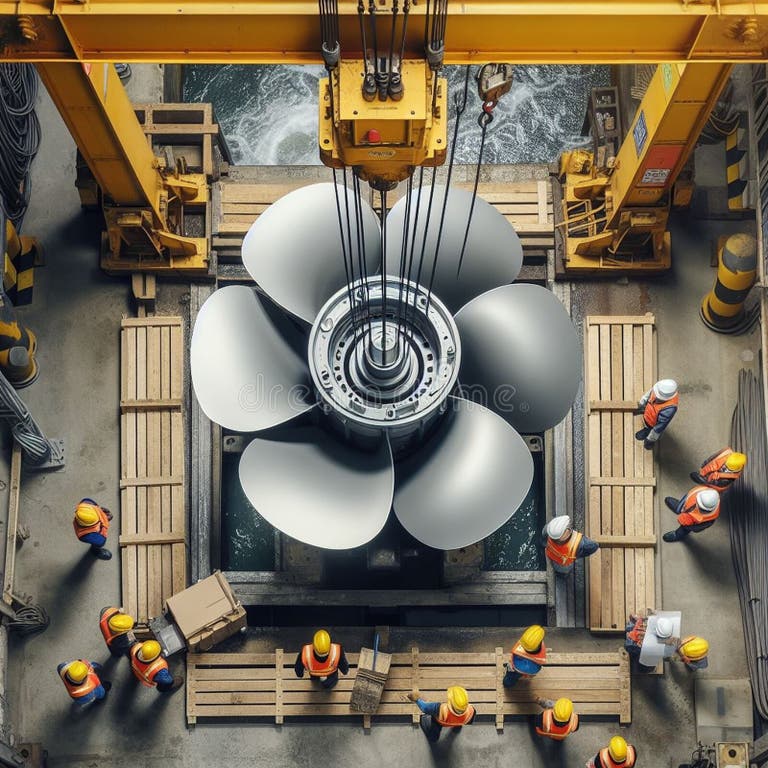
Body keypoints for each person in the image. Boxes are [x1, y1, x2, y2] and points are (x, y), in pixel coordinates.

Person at [408, 686, 475, 743]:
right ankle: (457, 728)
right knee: (458, 724)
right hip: (459, 722)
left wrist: (417, 700)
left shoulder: (440, 709)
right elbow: (469, 722)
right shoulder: (471, 711)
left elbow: (425, 708)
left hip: (440, 722)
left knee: (431, 730)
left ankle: (433, 739)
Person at [635, 378, 678, 449]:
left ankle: (648, 435)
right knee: (647, 423)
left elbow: (659, 427)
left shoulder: (670, 409)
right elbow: (648, 394)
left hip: (652, 423)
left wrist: (650, 439)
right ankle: (646, 429)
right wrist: (641, 403)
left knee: (651, 429)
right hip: (648, 412)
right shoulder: (658, 388)